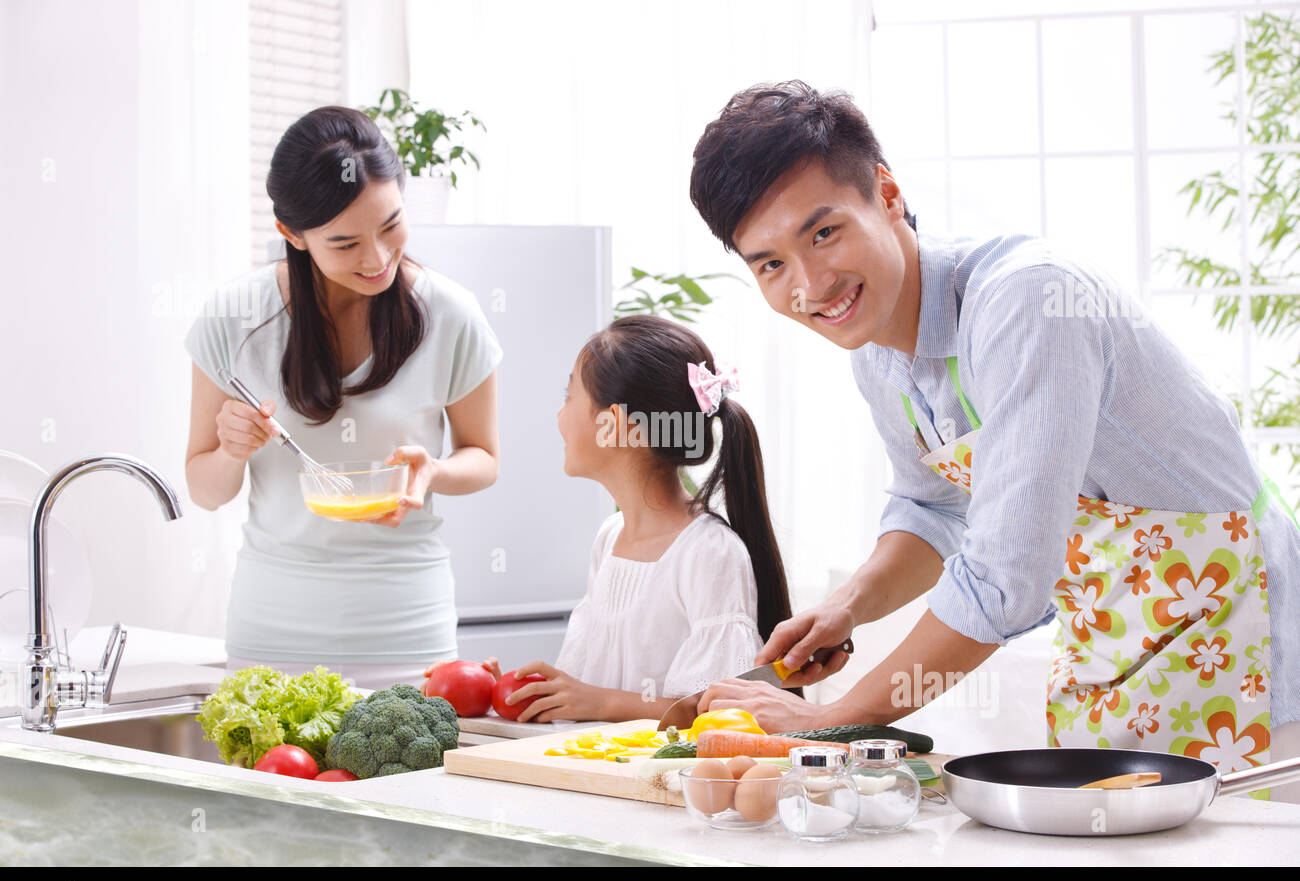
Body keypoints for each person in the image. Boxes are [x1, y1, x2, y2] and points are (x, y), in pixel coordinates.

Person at [687, 80, 1300, 788]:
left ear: (886, 196)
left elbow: (1005, 575)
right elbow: (934, 510)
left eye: (823, 233)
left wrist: (840, 718)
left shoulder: (1029, 301)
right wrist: (845, 607)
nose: (812, 285)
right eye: (771, 265)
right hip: (1110, 647)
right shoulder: (878, 355)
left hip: (1237, 632)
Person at [184, 106, 502, 690]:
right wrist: (231, 450)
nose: (377, 258)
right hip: (272, 636)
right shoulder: (234, 318)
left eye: (391, 225)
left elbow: (483, 457)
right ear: (292, 235)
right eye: (345, 243)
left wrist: (432, 471)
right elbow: (205, 488)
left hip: (409, 630)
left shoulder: (451, 313)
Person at [495, 314, 791, 722]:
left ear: (611, 424)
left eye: (568, 396)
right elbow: (585, 686)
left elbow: (721, 710)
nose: (559, 416)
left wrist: (605, 704)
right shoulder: (609, 537)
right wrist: (506, 692)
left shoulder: (709, 552)